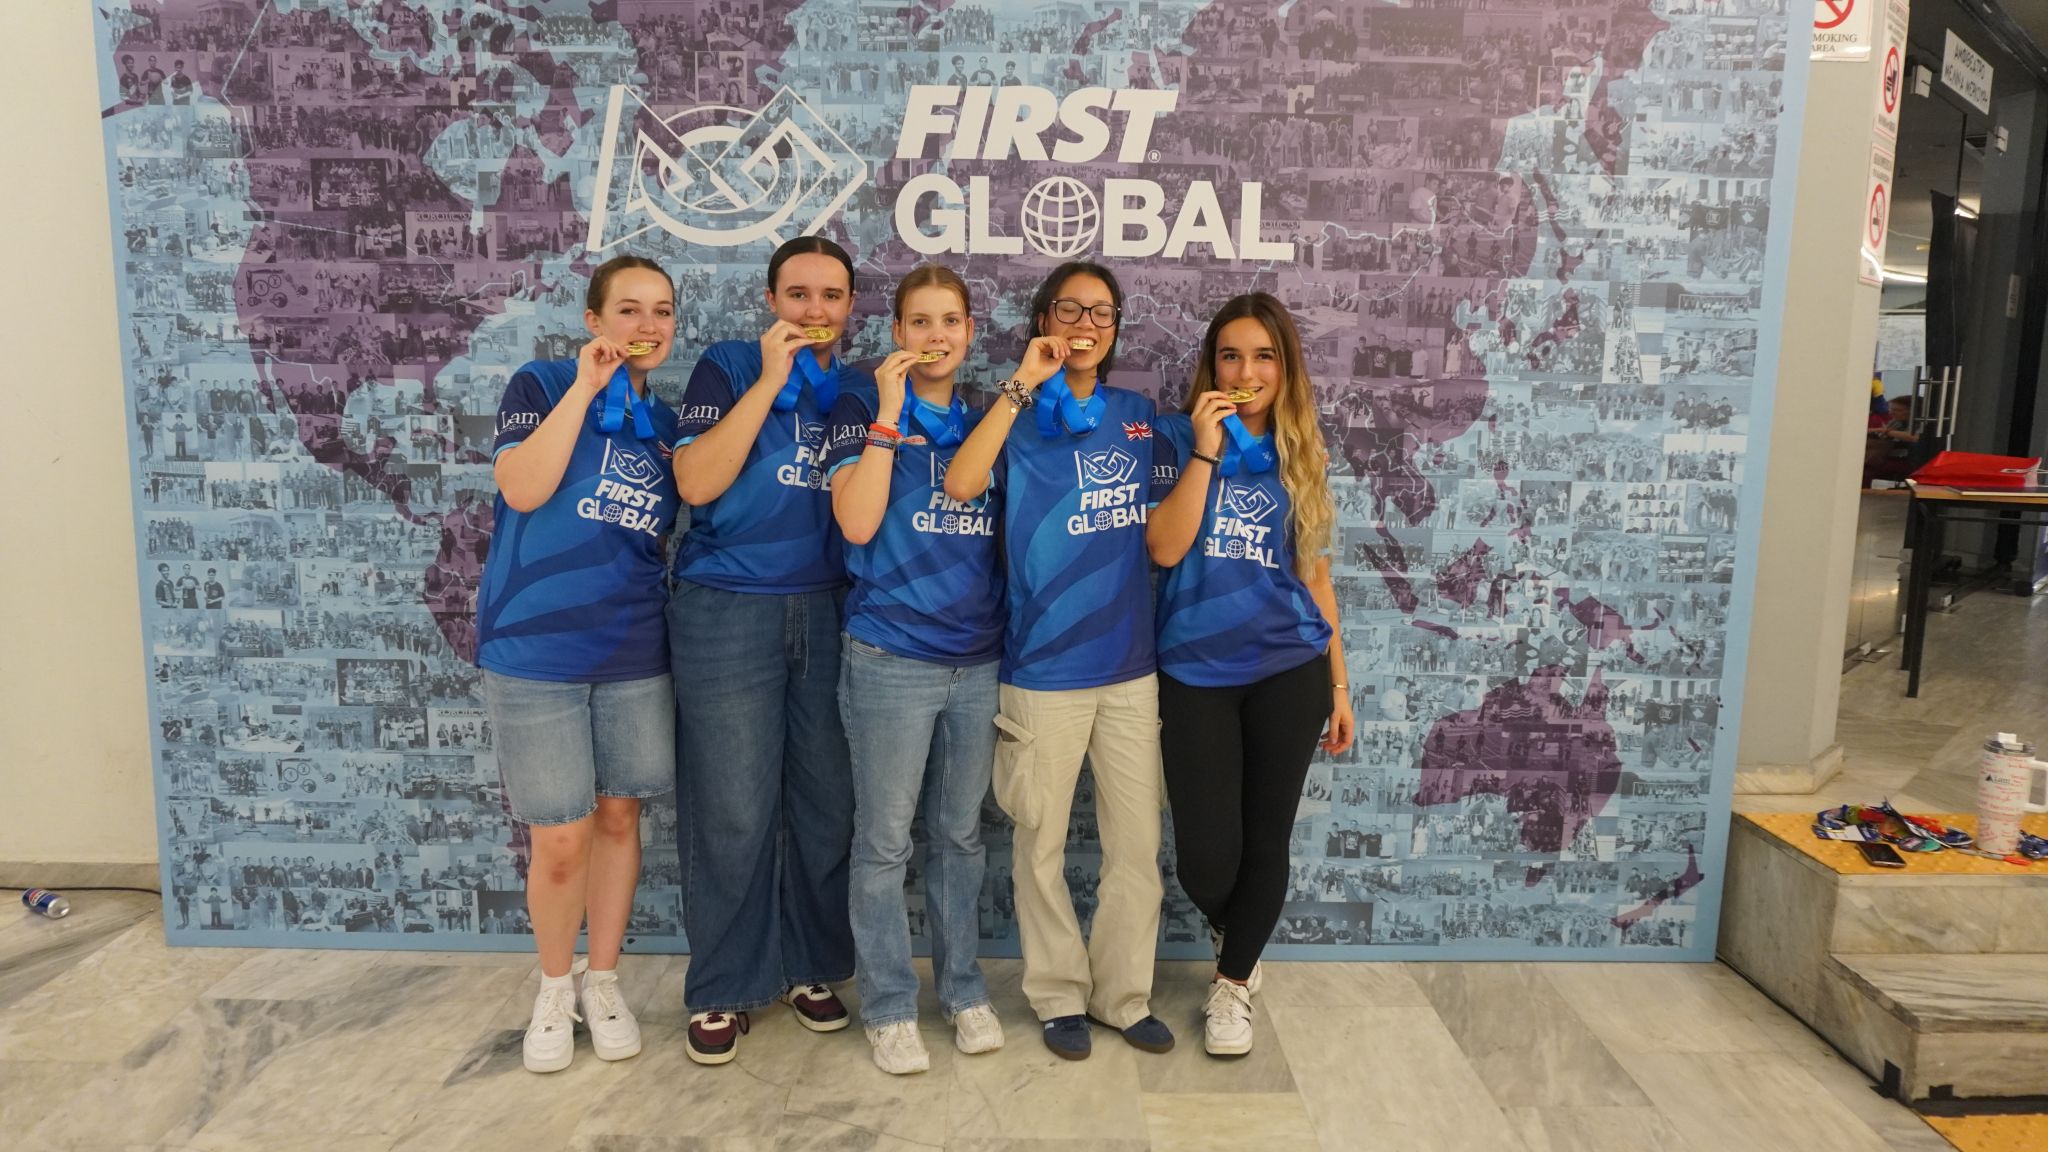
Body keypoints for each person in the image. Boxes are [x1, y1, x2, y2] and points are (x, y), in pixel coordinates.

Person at [944, 262, 1175, 1060]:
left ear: (1115, 327)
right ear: (1042, 317)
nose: (1085, 322)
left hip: (1128, 668)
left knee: (1135, 846)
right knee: (1038, 845)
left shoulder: (1139, 416)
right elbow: (963, 483)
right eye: (1068, 308)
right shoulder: (1010, 413)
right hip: (1040, 668)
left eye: (1101, 311)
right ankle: (1055, 995)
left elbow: (1171, 526)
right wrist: (1022, 383)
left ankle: (1123, 996)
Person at [474, 254, 682, 1074]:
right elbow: (523, 489)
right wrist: (584, 393)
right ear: (593, 321)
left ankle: (604, 980)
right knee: (558, 837)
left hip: (632, 647)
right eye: (627, 310)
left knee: (619, 817)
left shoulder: (666, 425)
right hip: (534, 649)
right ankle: (553, 988)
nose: (646, 326)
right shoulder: (541, 383)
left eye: (661, 311)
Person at [667, 236, 870, 1065]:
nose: (814, 312)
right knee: (731, 806)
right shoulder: (725, 365)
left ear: (851, 307)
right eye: (798, 295)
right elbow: (694, 483)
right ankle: (723, 985)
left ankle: (810, 967)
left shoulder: (860, 387)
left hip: (829, 609)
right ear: (771, 301)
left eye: (830, 296)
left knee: (825, 805)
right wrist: (770, 382)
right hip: (727, 607)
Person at [1147, 293, 1354, 1056]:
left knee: (1268, 838)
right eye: (1231, 355)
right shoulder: (1175, 438)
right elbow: (1164, 551)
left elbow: (1317, 578)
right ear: (1212, 365)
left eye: (1264, 355)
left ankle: (1232, 985)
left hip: (1289, 669)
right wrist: (1205, 448)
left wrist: (1338, 684)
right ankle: (1238, 929)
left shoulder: (1304, 451)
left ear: (1285, 367)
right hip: (1195, 669)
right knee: (1207, 855)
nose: (1247, 370)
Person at [822, 265, 1007, 1074]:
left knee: (962, 836)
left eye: (950, 322)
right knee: (885, 842)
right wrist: (891, 417)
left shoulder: (988, 420)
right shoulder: (860, 408)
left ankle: (963, 989)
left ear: (970, 332)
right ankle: (890, 1004)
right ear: (896, 333)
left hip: (978, 659)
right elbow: (858, 524)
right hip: (891, 655)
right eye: (919, 322)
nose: (936, 336)